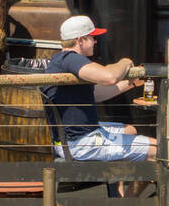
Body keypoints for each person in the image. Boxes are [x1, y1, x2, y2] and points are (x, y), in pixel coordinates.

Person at [42, 15, 153, 194]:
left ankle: (117, 194)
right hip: (83, 144)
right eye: (92, 37)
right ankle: (130, 204)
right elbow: (109, 77)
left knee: (129, 130)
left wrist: (131, 82)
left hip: (74, 139)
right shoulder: (71, 59)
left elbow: (96, 94)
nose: (95, 41)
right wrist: (124, 63)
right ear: (80, 40)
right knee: (162, 150)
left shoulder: (61, 61)